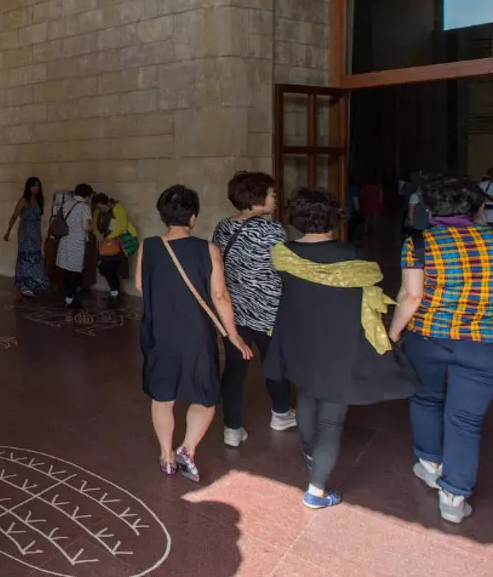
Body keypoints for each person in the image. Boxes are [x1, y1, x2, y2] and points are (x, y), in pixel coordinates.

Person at [265, 189, 419, 510]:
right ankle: (316, 492)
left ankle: (310, 454)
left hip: (300, 339)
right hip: (341, 344)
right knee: (331, 422)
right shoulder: (353, 255)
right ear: (335, 218)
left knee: (306, 396)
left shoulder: (283, 254)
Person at [390, 174, 493, 525]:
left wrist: (394, 330)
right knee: (466, 419)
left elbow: (411, 296)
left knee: (426, 397)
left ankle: (430, 464)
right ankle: (454, 496)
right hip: (482, 342)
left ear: (430, 209)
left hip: (428, 338)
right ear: (478, 207)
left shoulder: (419, 244)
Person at [135, 185, 252, 483]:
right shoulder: (206, 249)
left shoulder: (148, 246)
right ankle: (187, 448)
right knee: (205, 396)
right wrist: (233, 335)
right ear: (193, 217)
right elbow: (220, 296)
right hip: (196, 335)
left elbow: (139, 286)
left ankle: (166, 457)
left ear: (162, 215)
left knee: (162, 397)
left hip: (159, 333)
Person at [210, 172, 295, 448]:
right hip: (268, 312)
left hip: (233, 311)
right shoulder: (273, 231)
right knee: (275, 365)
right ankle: (280, 414)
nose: (274, 198)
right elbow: (283, 268)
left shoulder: (222, 227)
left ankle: (231, 428)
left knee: (235, 369)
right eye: (271, 193)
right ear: (257, 198)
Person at [4, 177, 50, 297]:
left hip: (35, 232)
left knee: (36, 255)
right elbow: (14, 216)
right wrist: (8, 232)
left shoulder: (39, 200)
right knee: (25, 255)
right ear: (28, 187)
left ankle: (35, 281)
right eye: (33, 185)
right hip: (25, 232)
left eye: (38, 186)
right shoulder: (23, 200)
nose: (36, 188)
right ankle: (23, 283)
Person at [92, 194, 138, 309]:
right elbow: (95, 225)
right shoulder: (98, 212)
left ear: (107, 203)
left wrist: (110, 237)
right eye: (97, 207)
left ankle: (116, 294)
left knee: (111, 267)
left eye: (100, 207)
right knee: (107, 269)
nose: (99, 210)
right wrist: (100, 237)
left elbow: (122, 226)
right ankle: (115, 294)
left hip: (120, 243)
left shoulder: (117, 208)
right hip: (106, 244)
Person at [54, 184, 95, 311]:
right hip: (76, 244)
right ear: (87, 196)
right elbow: (85, 227)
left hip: (65, 241)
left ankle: (68, 297)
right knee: (75, 273)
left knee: (67, 272)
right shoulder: (84, 207)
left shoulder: (66, 204)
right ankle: (70, 299)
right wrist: (94, 226)